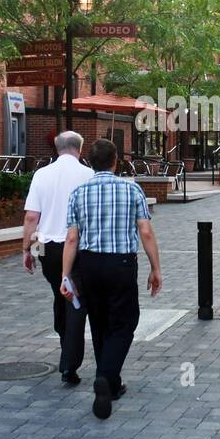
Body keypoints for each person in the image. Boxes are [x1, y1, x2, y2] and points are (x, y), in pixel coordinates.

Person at [60, 138, 163, 420]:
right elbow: (146, 231)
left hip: (90, 264)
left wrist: (65, 275)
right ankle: (105, 377)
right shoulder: (131, 189)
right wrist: (156, 268)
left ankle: (112, 383)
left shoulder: (78, 192)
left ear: (89, 162)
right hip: (121, 264)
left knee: (99, 322)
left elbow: (71, 237)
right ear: (115, 160)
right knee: (125, 323)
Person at [22, 131, 94, 386]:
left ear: (56, 148)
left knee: (59, 293)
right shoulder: (88, 175)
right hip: (77, 247)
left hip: (47, 248)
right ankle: (69, 364)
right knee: (75, 302)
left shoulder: (41, 174)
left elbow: (32, 217)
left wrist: (26, 250)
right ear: (80, 149)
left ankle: (65, 343)